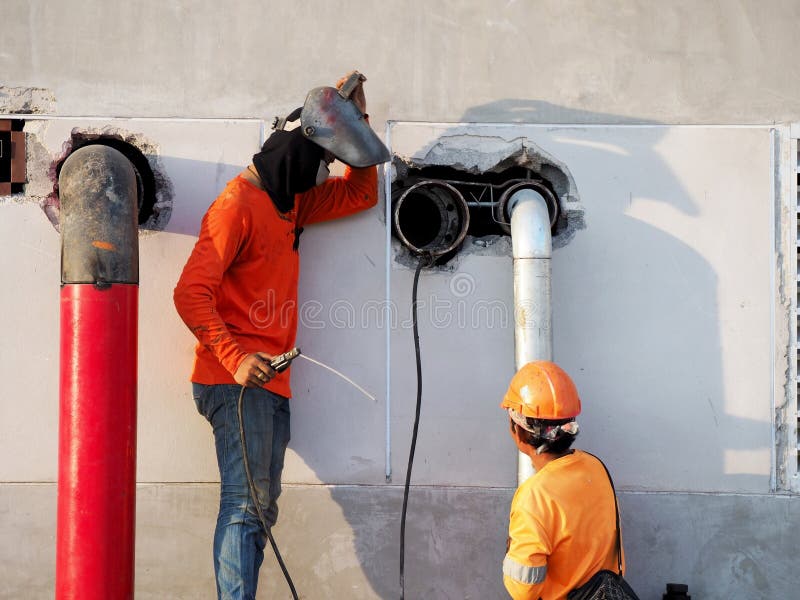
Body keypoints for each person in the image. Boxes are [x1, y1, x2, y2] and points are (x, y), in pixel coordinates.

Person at [174, 72, 389, 600]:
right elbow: (189, 293)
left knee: (261, 508)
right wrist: (234, 357)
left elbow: (362, 193)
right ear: (295, 159)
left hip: (271, 383)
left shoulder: (290, 200)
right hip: (235, 382)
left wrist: (355, 121)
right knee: (245, 506)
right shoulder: (236, 208)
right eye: (319, 164)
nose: (322, 177)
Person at [500, 361, 625, 600]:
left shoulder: (534, 496)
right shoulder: (595, 467)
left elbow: (523, 589)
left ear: (518, 429)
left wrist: (510, 552)